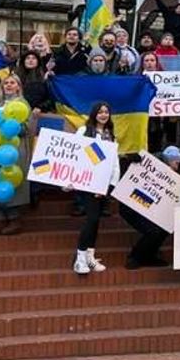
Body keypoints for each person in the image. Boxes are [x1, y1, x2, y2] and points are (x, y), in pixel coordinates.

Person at [72, 101, 116, 274]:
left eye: (106, 112)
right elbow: (73, 155)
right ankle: (79, 259)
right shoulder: (84, 131)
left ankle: (90, 257)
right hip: (87, 183)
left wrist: (110, 185)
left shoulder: (110, 134)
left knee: (96, 220)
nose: (104, 115)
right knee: (91, 219)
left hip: (103, 185)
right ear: (94, 114)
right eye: (100, 112)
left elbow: (113, 162)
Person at [121, 146, 180, 269]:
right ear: (169, 160)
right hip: (131, 206)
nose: (178, 166)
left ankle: (149, 256)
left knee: (164, 229)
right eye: (176, 162)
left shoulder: (168, 175)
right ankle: (134, 257)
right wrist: (131, 160)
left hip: (149, 208)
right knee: (152, 231)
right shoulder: (144, 164)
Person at [0, 73, 33, 235]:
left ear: (18, 86)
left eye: (12, 83)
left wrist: (11, 127)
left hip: (16, 147)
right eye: (6, 83)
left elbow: (27, 127)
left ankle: (14, 219)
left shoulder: (22, 104)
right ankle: (2, 219)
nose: (8, 85)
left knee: (12, 180)